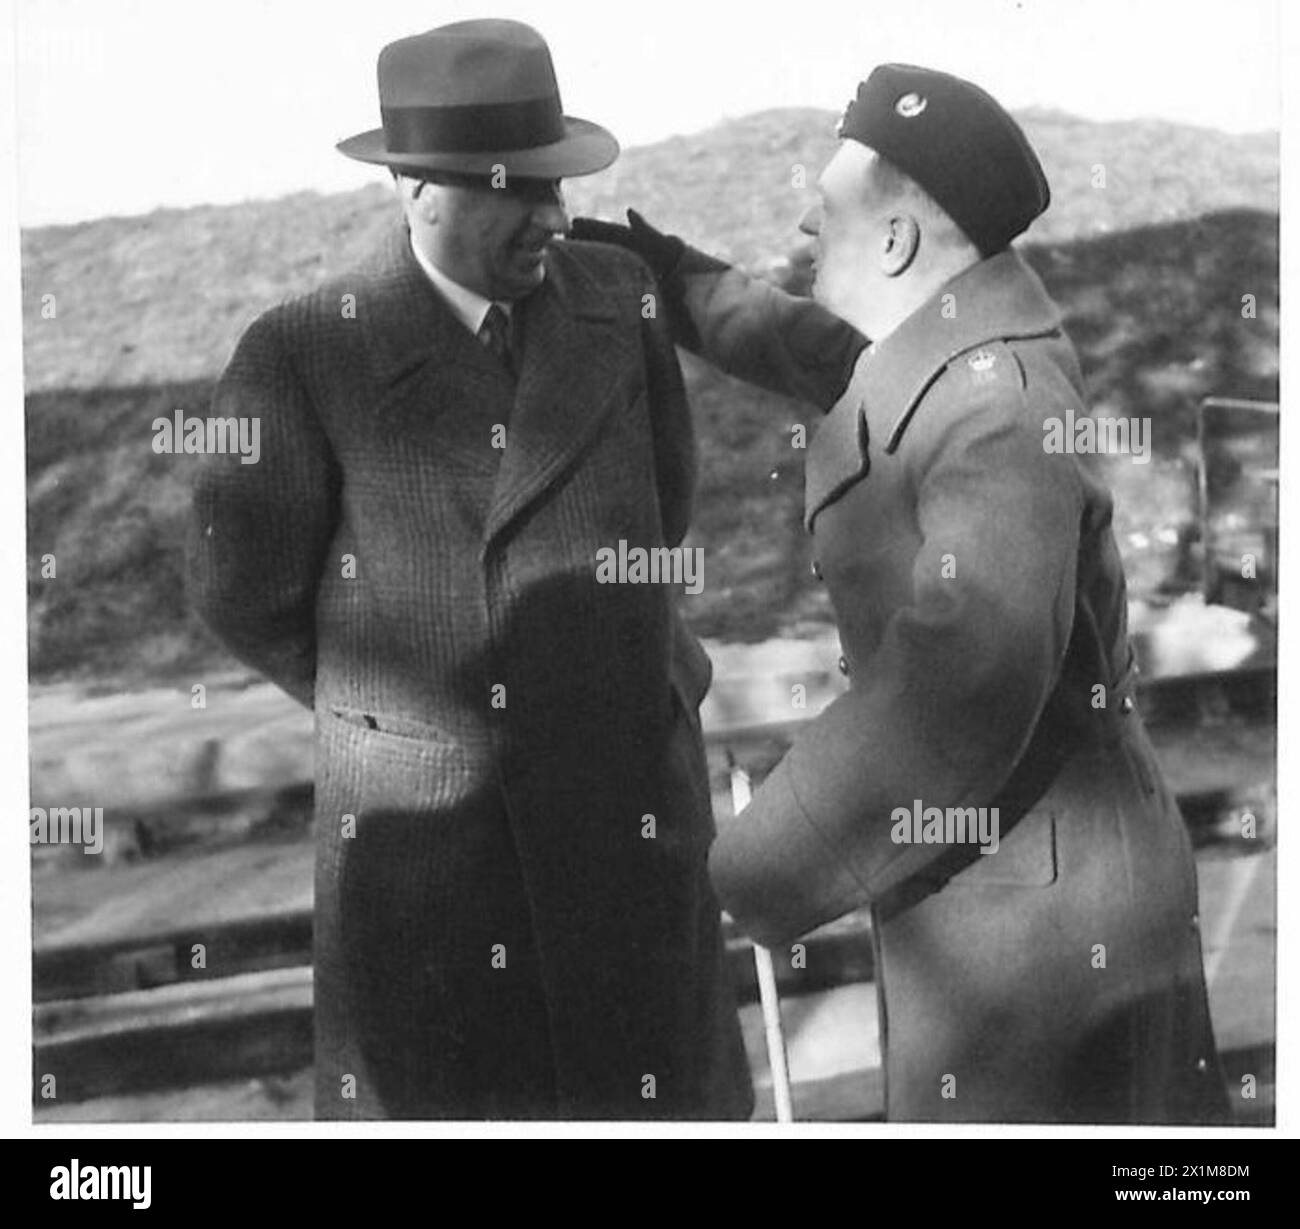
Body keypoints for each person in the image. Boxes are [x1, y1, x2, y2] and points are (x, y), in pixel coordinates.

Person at [573, 64, 1230, 1124]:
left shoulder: (997, 409)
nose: (801, 217)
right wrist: (667, 274)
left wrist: (756, 863)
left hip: (1041, 952)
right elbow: (815, 348)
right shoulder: (948, 352)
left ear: (893, 246)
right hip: (1003, 892)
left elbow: (960, 683)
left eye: (824, 208)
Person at [188, 19, 752, 1121]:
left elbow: (658, 517)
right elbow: (236, 590)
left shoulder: (619, 300)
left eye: (558, 182)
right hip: (438, 859)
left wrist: (617, 677)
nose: (551, 214)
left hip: (629, 819)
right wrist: (396, 707)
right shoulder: (301, 353)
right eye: (513, 188)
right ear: (413, 187)